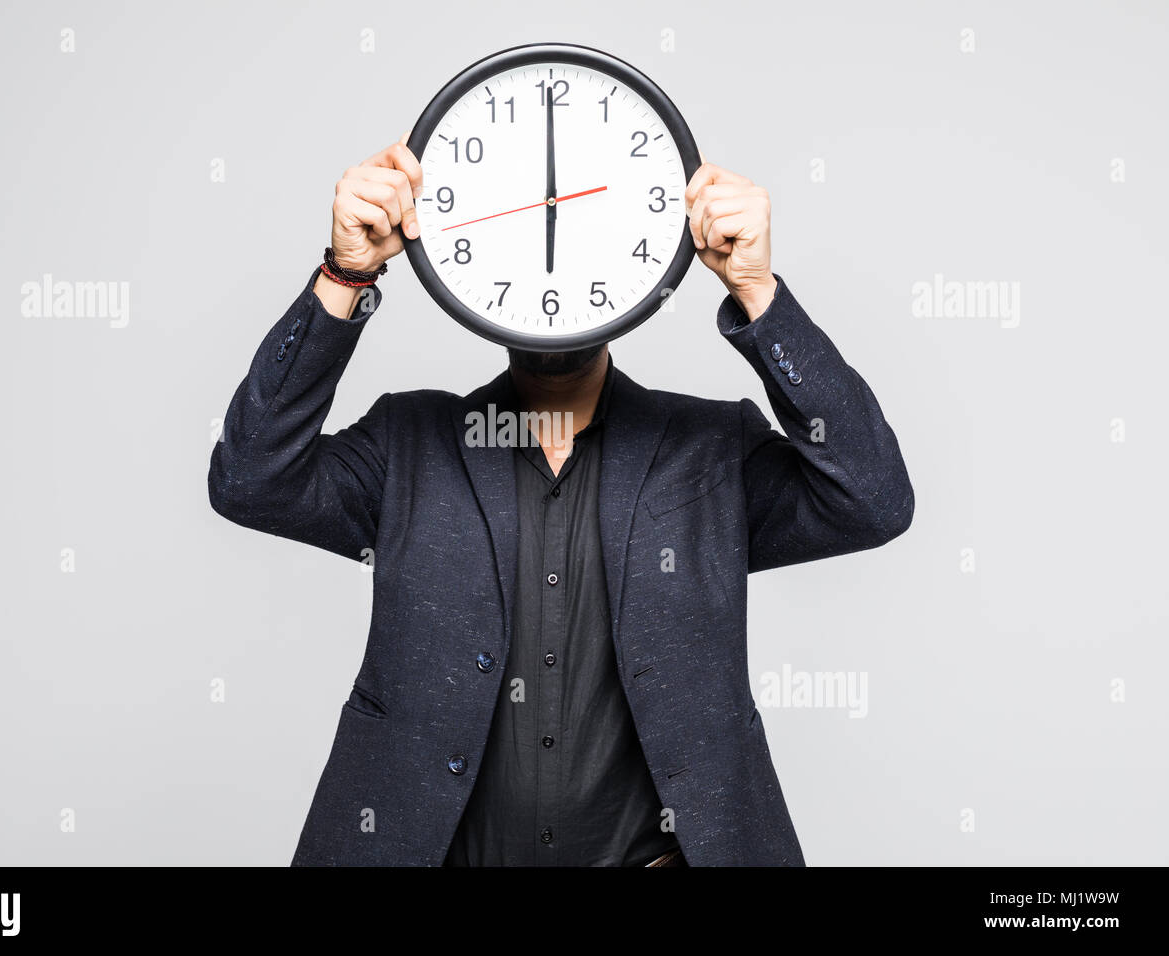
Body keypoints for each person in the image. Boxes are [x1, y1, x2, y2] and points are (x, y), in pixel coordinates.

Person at [208, 135, 914, 866]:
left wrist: (758, 292)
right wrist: (344, 276)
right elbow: (250, 479)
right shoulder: (407, 445)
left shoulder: (711, 450)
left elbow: (874, 499)